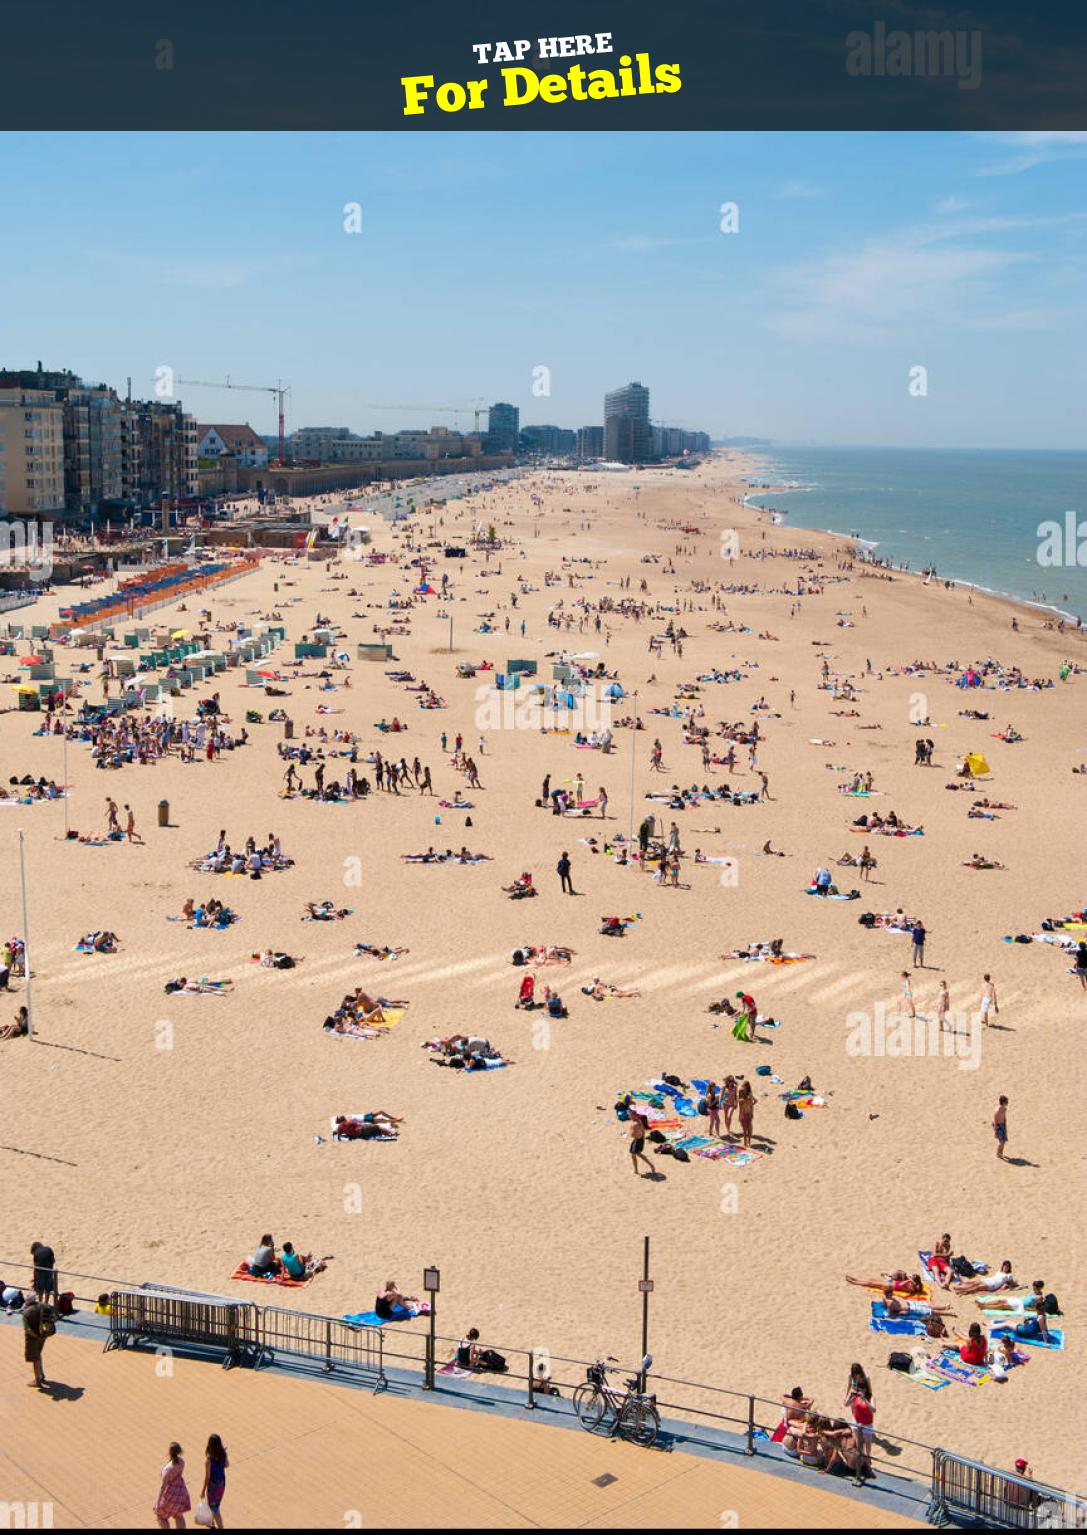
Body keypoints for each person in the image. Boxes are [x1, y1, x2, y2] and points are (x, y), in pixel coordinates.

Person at [154, 1442, 191, 1529]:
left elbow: (163, 1487)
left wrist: (158, 1502)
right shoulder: (182, 1462)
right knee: (178, 1515)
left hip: (170, 1495)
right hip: (181, 1492)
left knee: (161, 1516)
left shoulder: (168, 1469)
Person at [22, 1295, 54, 1388]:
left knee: (34, 1358)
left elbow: (27, 1329)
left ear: (27, 1302)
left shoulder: (26, 1313)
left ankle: (37, 1380)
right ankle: (41, 1374)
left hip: (33, 1338)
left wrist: (36, 1336)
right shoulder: (45, 1306)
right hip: (44, 1335)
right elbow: (53, 1317)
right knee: (39, 1353)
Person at [201, 1436, 228, 1529]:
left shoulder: (208, 1461)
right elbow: (227, 1465)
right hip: (221, 1484)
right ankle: (211, 1523)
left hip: (213, 1486)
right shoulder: (223, 1454)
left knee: (214, 1508)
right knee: (215, 1505)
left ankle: (217, 1525)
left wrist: (203, 1490)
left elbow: (207, 1477)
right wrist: (225, 1453)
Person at [629, 1110, 655, 1177]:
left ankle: (636, 1170)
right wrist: (642, 1139)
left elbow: (632, 1135)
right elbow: (643, 1131)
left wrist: (630, 1132)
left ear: (633, 1116)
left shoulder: (634, 1124)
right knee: (638, 1154)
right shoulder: (640, 1121)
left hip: (636, 1141)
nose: (629, 1116)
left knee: (634, 1155)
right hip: (641, 1140)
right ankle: (650, 1166)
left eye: (630, 1115)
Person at [30, 1240, 57, 1306]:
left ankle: (40, 1304)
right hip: (49, 1271)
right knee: (48, 1290)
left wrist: (35, 1279)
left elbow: (36, 1268)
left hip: (40, 1272)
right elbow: (53, 1260)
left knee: (40, 1290)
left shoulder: (36, 1253)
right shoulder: (49, 1249)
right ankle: (46, 1303)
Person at [737, 1080, 755, 1148]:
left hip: (745, 1114)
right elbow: (752, 1104)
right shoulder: (748, 1096)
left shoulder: (743, 1099)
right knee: (748, 1129)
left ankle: (746, 1143)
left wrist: (739, 1116)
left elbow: (741, 1109)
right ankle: (748, 1142)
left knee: (746, 1130)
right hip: (748, 1114)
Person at [994, 1095, 1009, 1160]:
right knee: (1001, 1142)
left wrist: (1005, 1126)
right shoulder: (998, 1110)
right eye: (1006, 1102)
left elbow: (1004, 1118)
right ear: (1003, 1102)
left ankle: (1001, 1152)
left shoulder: (1004, 1109)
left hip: (1003, 1125)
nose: (1007, 1103)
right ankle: (998, 1153)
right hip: (998, 1126)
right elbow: (995, 1120)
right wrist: (995, 1130)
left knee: (1004, 1141)